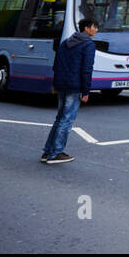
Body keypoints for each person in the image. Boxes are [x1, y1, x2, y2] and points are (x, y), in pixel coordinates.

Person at [41, 17, 99, 164]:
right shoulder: (88, 45)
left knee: (60, 118)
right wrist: (86, 91)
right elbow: (87, 70)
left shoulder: (66, 42)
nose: (96, 29)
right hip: (74, 86)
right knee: (67, 120)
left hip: (61, 84)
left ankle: (48, 151)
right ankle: (56, 153)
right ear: (86, 28)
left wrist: (57, 82)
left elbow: (56, 65)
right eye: (94, 26)